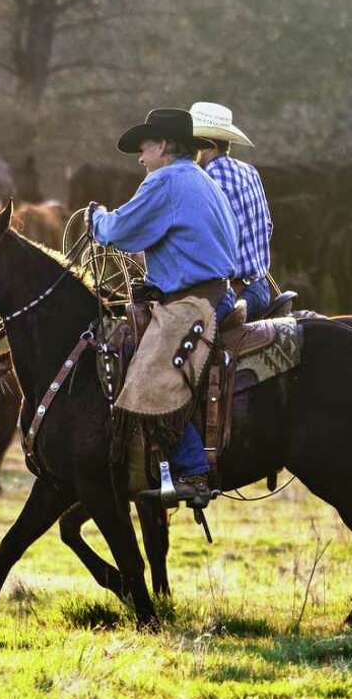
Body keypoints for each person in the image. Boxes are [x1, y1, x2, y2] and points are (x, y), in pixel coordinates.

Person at [88, 108, 242, 505]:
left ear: (162, 146)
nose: (140, 158)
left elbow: (120, 230)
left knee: (146, 380)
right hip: (213, 291)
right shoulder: (200, 180)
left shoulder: (166, 181)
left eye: (143, 148)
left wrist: (95, 219)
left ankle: (192, 472)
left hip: (194, 301)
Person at [189, 102, 277, 319]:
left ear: (203, 144)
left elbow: (202, 243)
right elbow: (267, 227)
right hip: (261, 287)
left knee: (181, 338)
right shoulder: (250, 172)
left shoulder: (207, 181)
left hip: (233, 294)